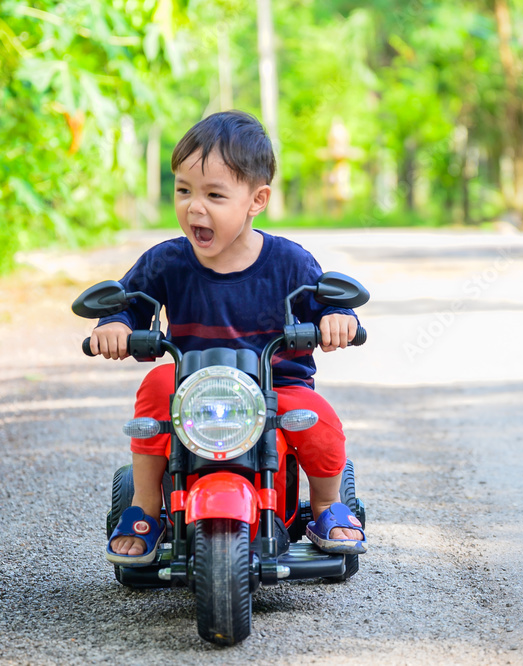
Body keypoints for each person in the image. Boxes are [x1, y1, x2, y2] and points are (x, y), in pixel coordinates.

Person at [90, 110, 366, 566]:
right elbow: (128, 301)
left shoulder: (289, 263)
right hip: (190, 388)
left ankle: (325, 506)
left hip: (278, 389)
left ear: (256, 200)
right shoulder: (167, 262)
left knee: (319, 419)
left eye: (214, 195)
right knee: (156, 386)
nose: (194, 207)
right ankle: (144, 506)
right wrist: (115, 326)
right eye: (183, 190)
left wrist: (339, 319)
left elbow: (329, 303)